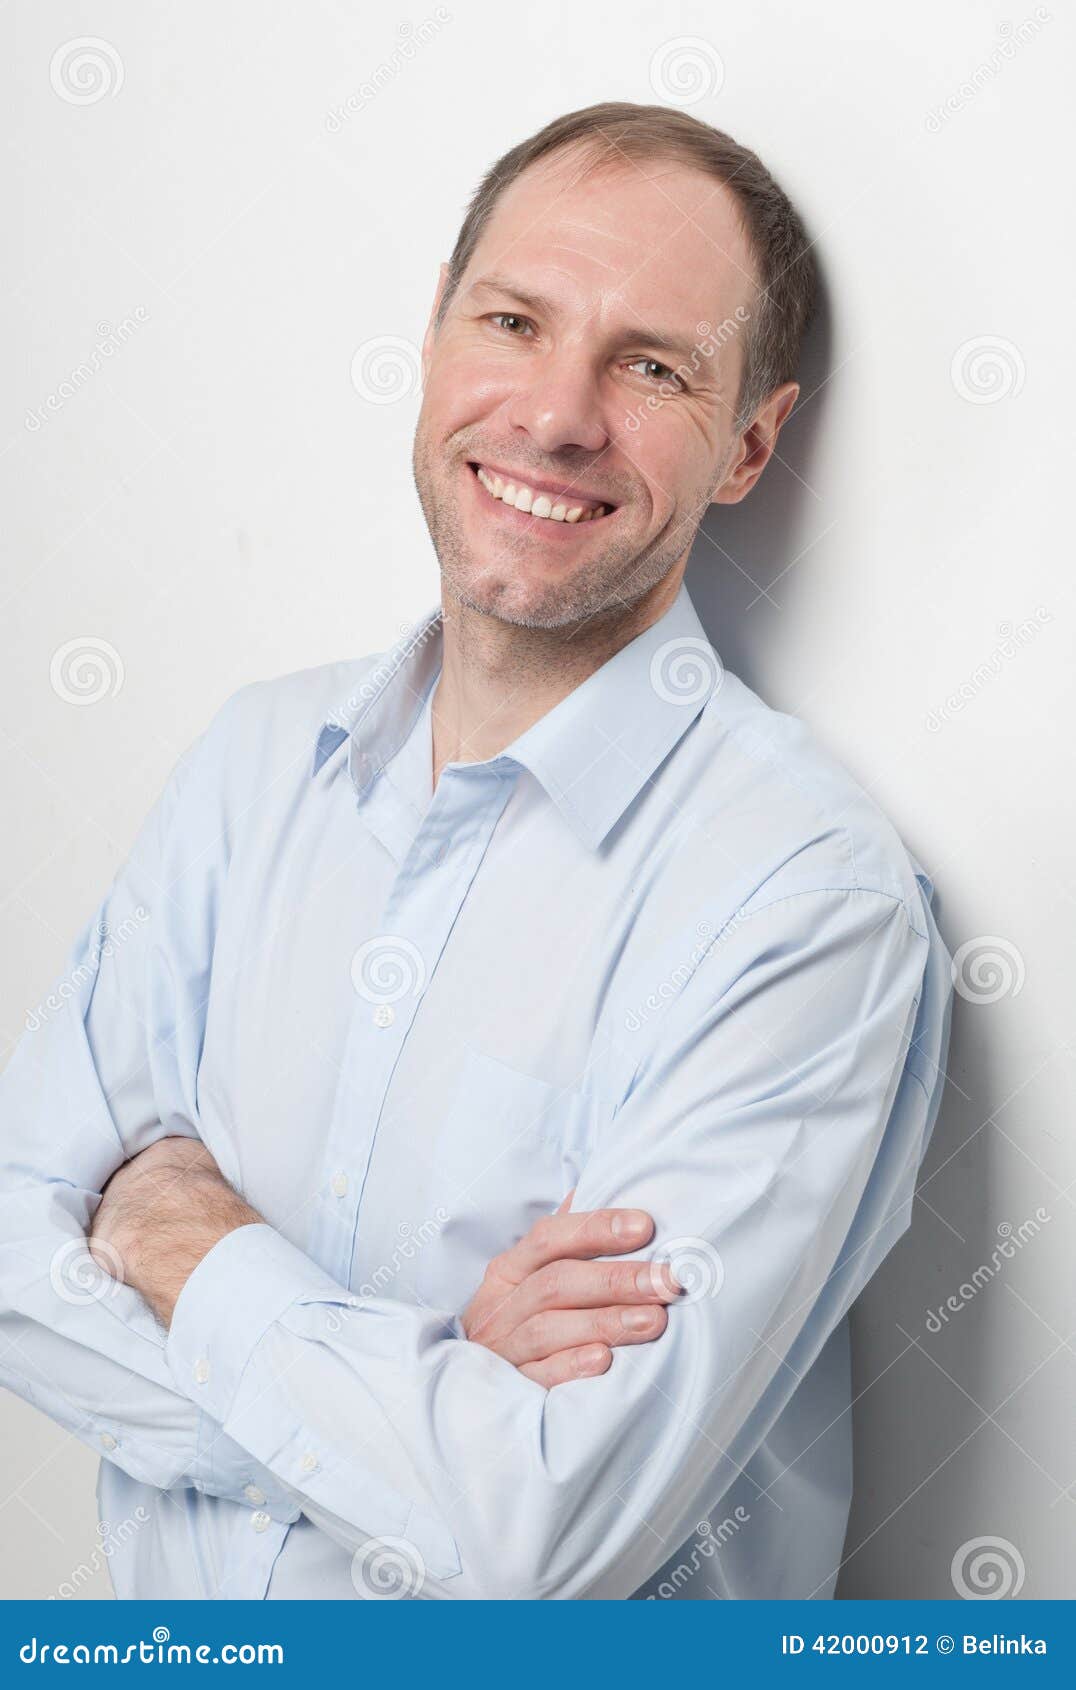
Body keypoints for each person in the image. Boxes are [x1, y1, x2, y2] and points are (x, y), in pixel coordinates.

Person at [0, 101, 952, 1600]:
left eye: (651, 366)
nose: (557, 414)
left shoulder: (802, 898)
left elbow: (538, 1541)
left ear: (751, 445)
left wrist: (181, 1247)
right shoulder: (254, 767)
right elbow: (13, 1258)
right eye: (514, 322)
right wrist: (437, 1391)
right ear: (438, 340)